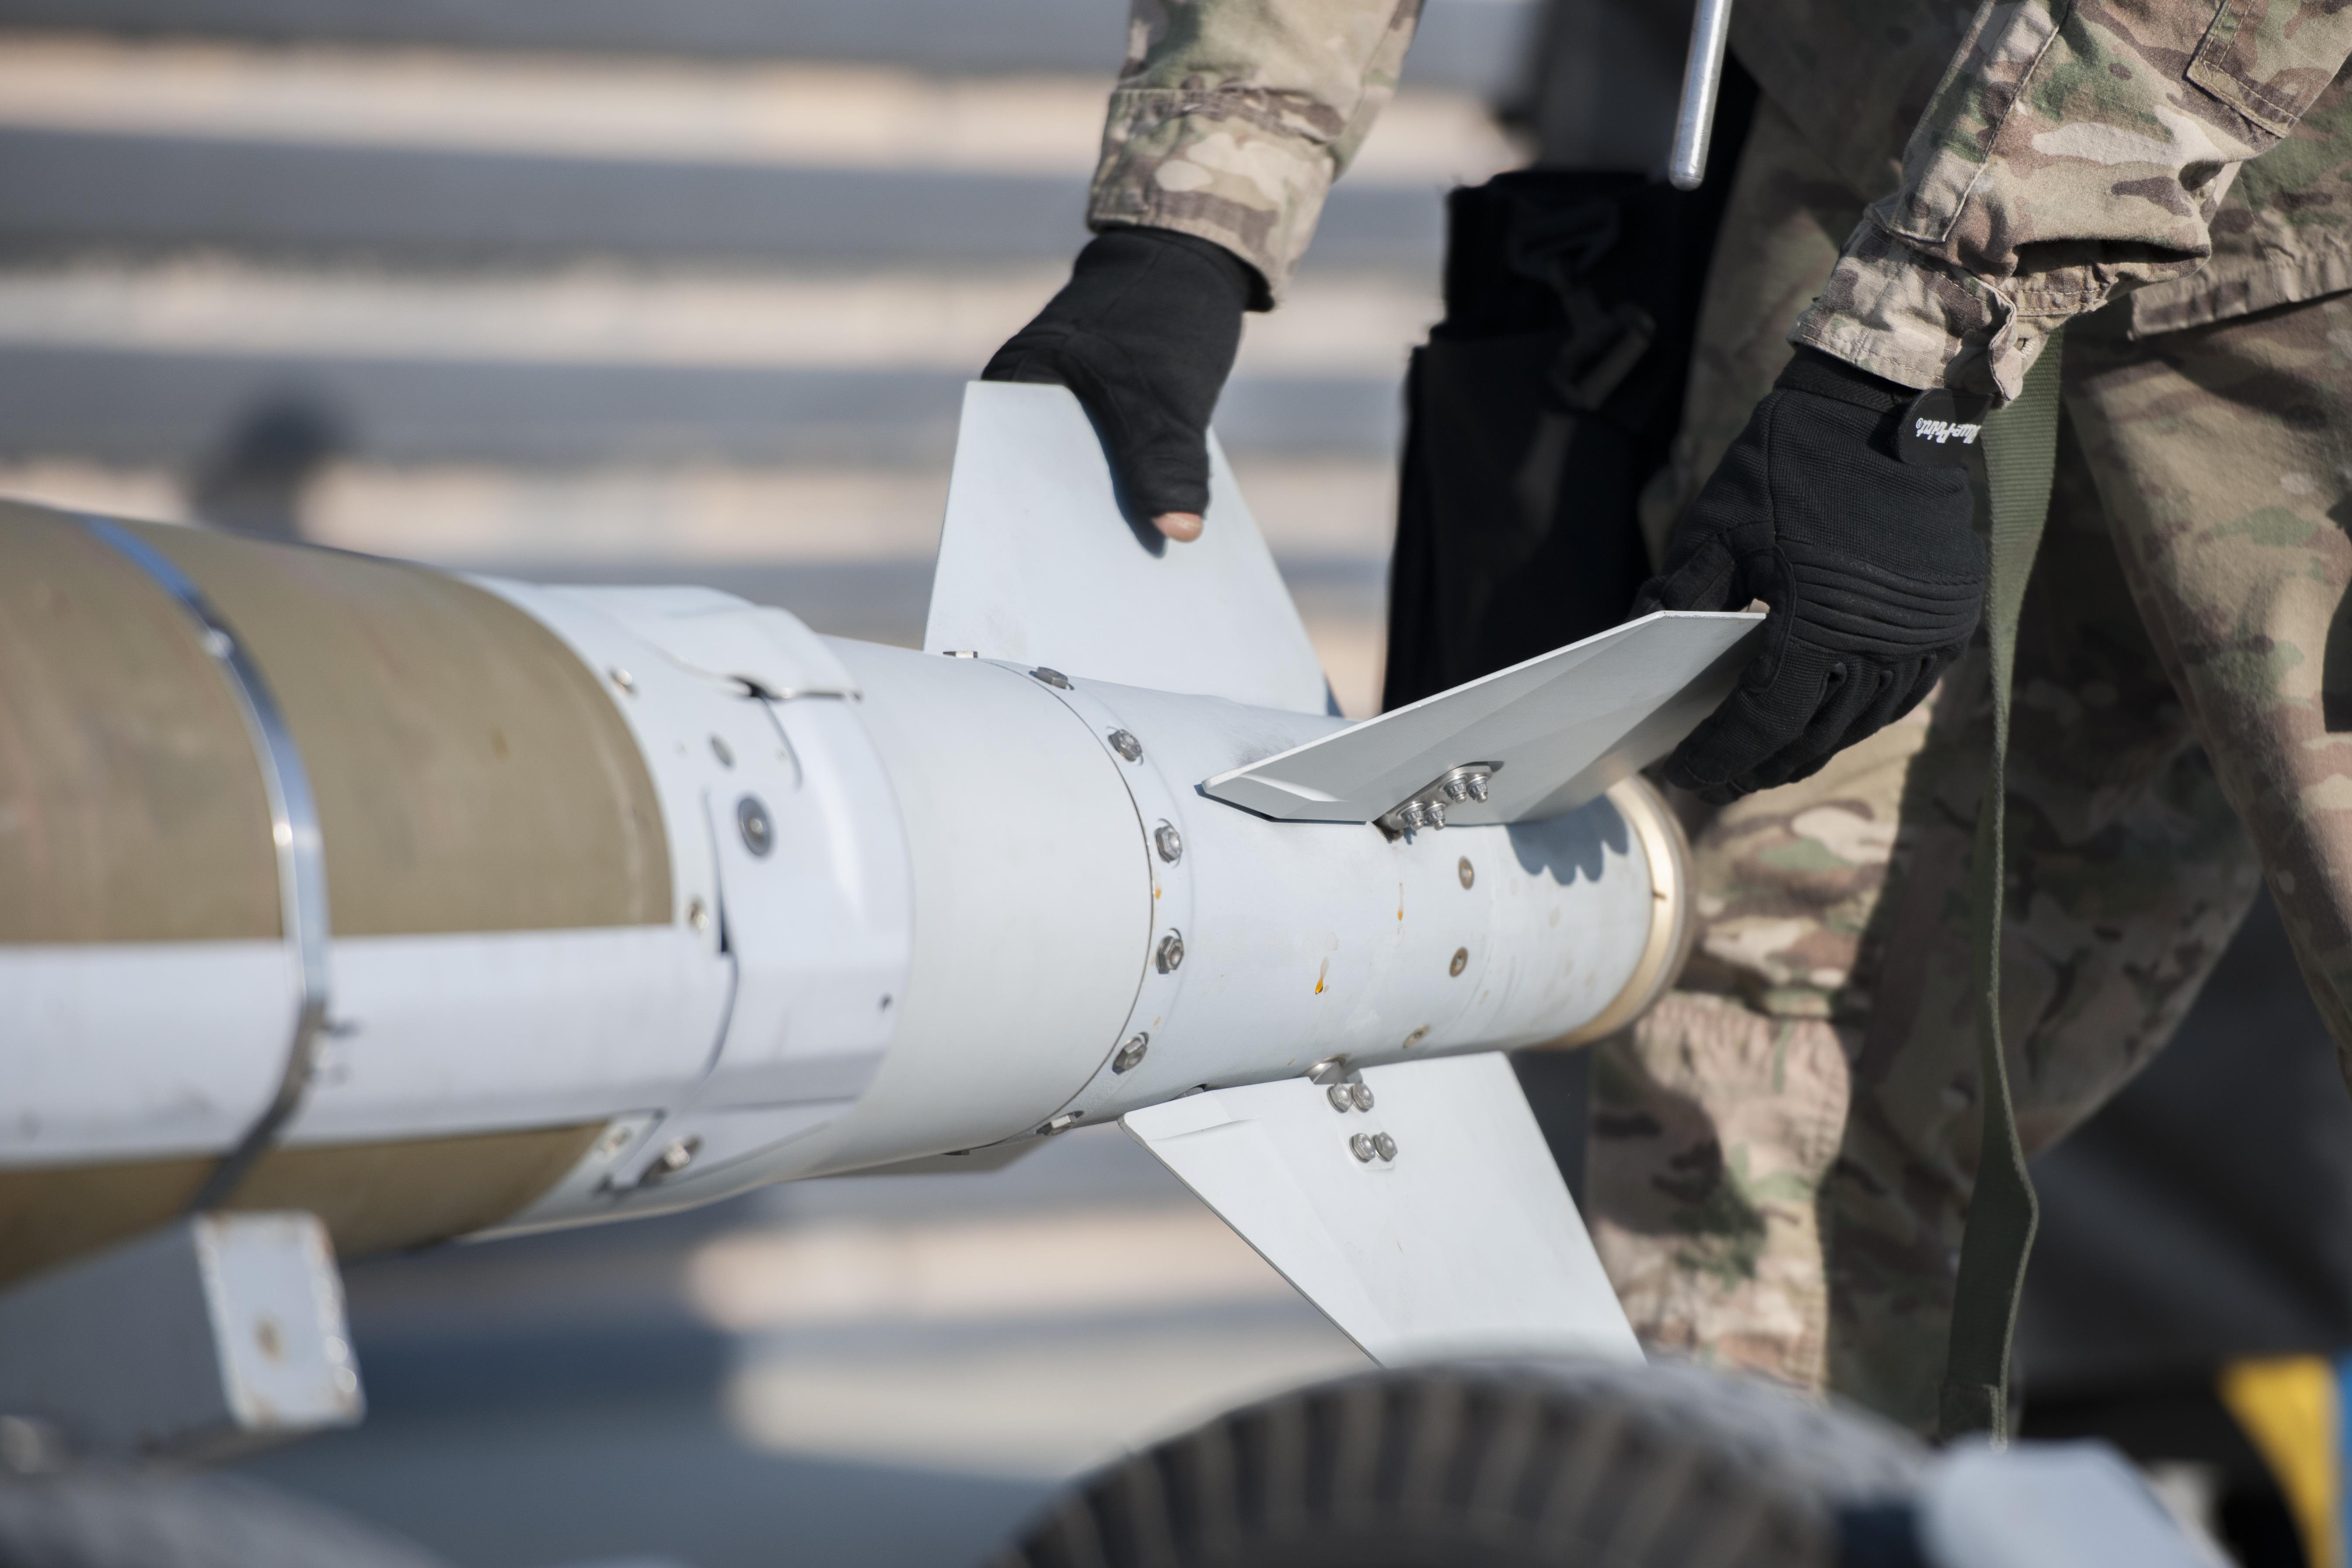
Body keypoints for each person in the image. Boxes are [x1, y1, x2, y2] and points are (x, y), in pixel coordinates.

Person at [983, 0, 2352, 1435]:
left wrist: (1919, 341)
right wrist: (1196, 205)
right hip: (1884, 151)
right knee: (1761, 1051)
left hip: (2282, 215)